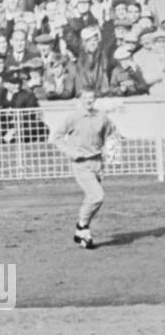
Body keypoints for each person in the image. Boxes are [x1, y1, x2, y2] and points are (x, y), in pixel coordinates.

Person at [52, 86, 121, 249]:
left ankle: (80, 230)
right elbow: (56, 137)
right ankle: (83, 228)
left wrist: (112, 149)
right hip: (81, 164)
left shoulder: (102, 116)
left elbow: (112, 133)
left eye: (91, 97)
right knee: (97, 196)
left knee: (93, 199)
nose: (89, 100)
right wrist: (71, 152)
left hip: (97, 162)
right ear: (79, 99)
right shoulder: (73, 117)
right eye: (85, 98)